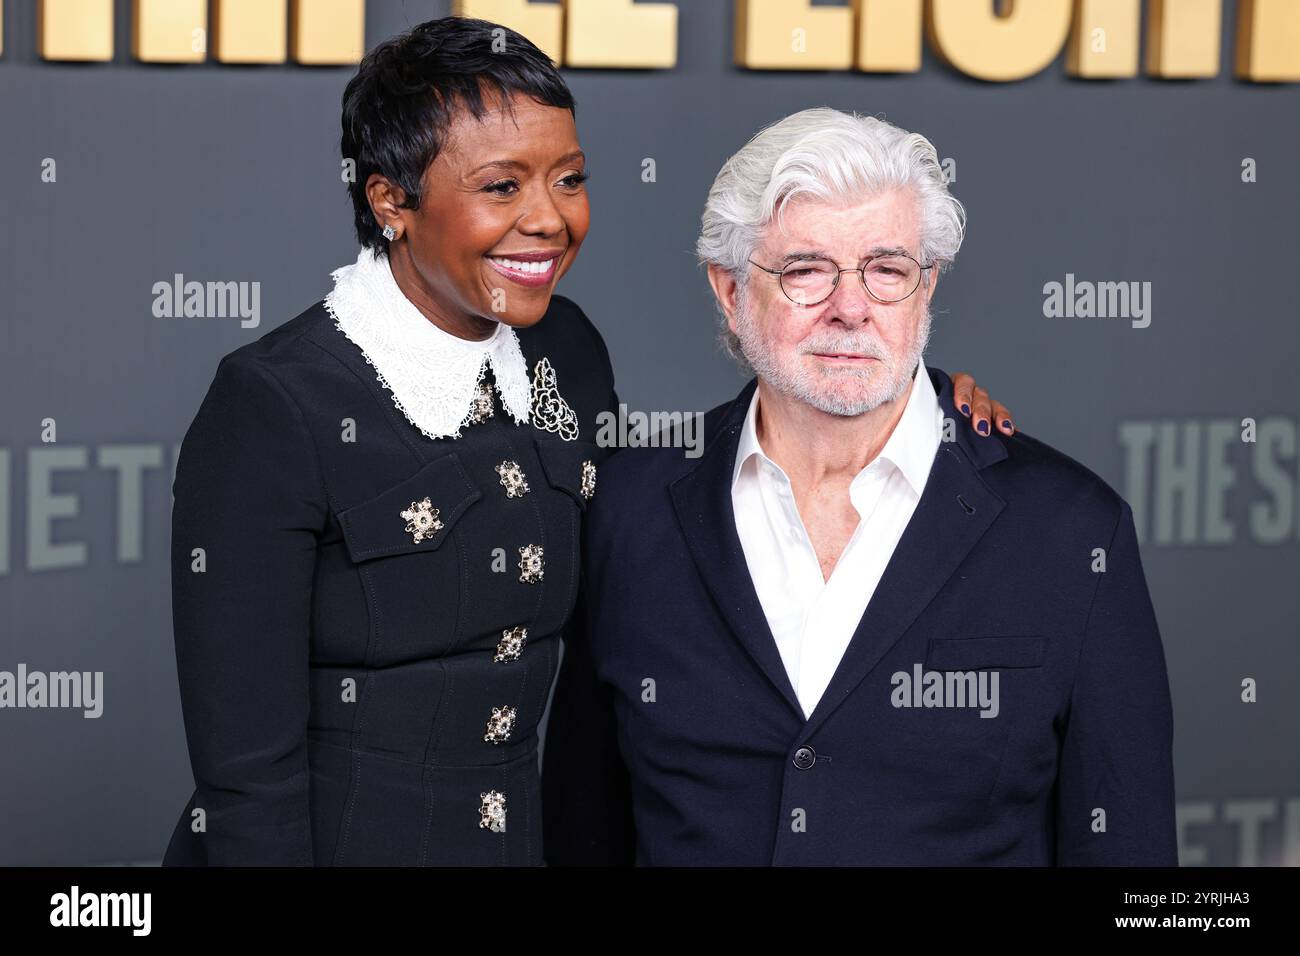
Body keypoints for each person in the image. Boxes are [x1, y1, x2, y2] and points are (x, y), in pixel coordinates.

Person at [163, 17, 1007, 866]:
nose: (549, 219)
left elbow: (680, 491)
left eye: (568, 178)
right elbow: (247, 784)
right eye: (501, 187)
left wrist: (907, 401)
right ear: (391, 200)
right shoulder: (274, 403)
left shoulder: (566, 350)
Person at [542, 108, 1177, 866]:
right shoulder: (628, 507)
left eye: (887, 268)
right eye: (806, 270)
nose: (852, 306)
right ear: (731, 292)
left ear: (926, 286)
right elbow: (581, 828)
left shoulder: (1072, 532)